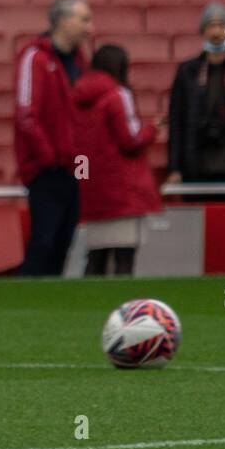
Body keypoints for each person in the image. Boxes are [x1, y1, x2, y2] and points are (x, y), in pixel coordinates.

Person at [14, 0, 94, 276]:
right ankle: (25, 303)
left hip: (73, 166)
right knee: (44, 242)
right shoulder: (34, 57)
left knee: (63, 243)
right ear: (63, 21)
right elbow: (26, 112)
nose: (89, 27)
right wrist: (48, 156)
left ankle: (50, 306)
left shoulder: (79, 61)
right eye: (84, 19)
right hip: (46, 168)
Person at [73, 44, 162, 276]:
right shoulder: (117, 95)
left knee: (96, 258)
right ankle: (123, 309)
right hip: (123, 191)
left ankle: (87, 308)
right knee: (124, 259)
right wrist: (153, 129)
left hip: (93, 189)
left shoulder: (79, 97)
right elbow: (130, 140)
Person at [167, 2, 225, 199]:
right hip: (196, 163)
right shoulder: (188, 72)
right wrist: (174, 167)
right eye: (211, 25)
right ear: (202, 31)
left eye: (222, 26)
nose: (216, 32)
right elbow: (176, 122)